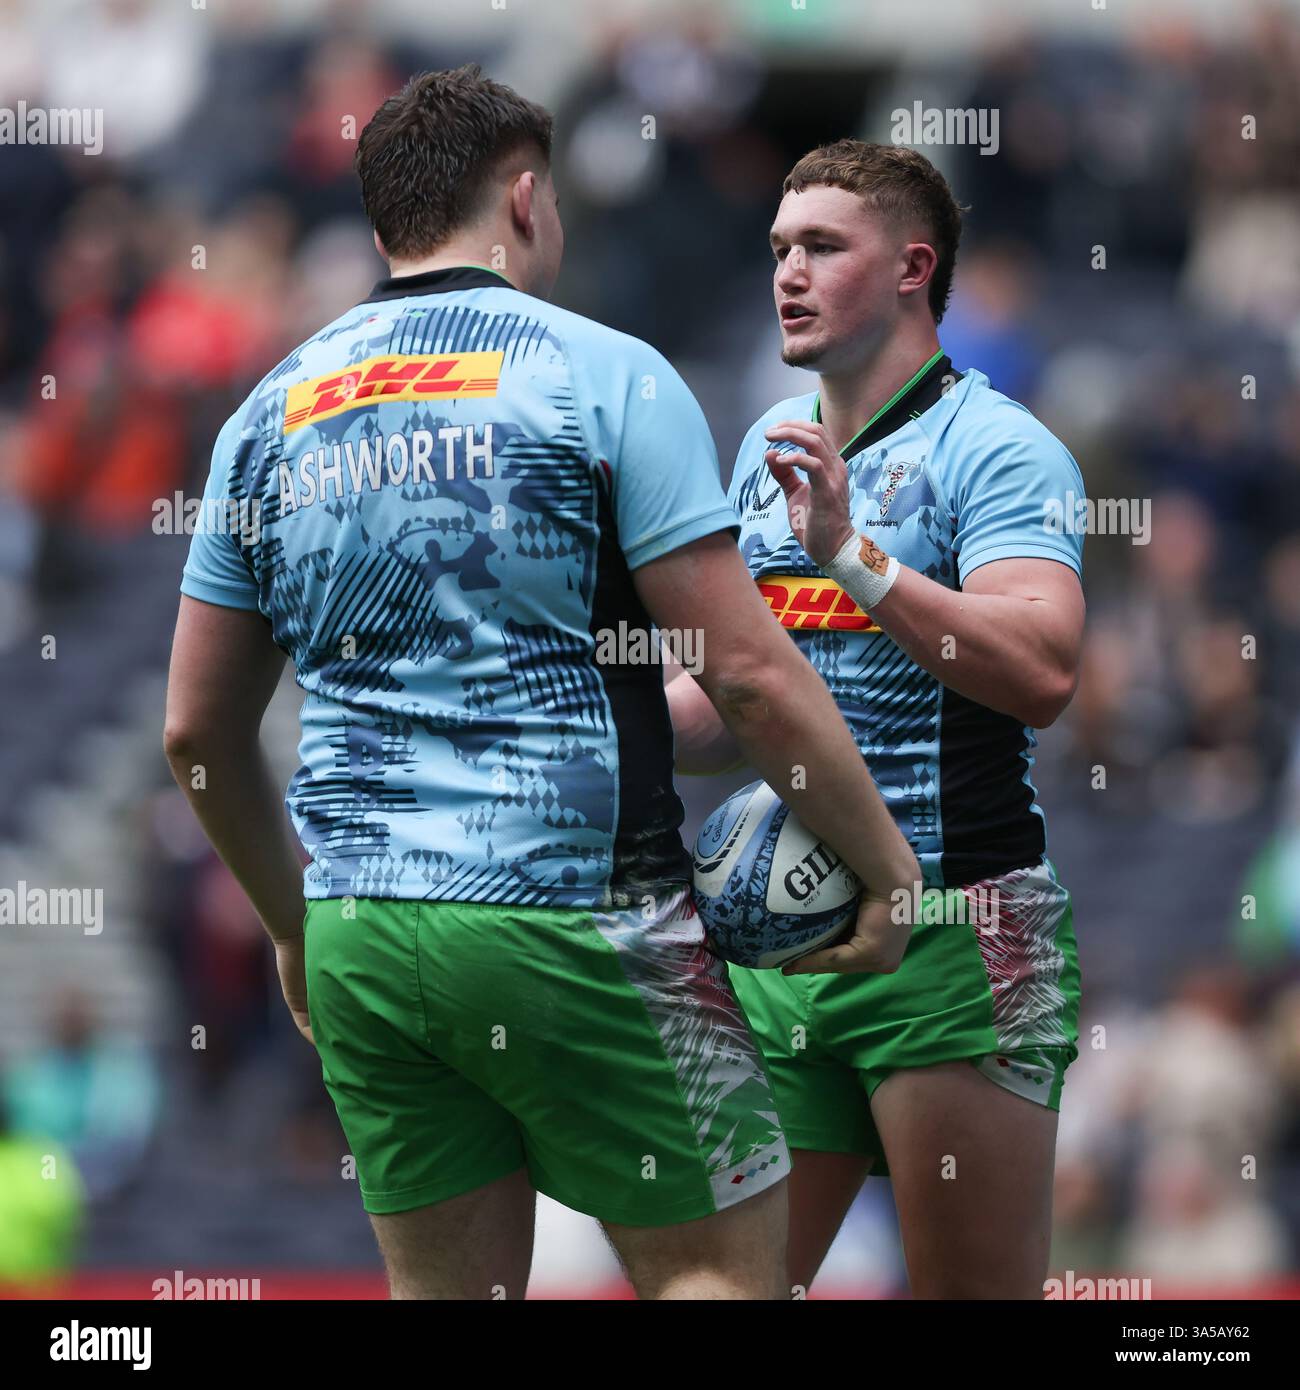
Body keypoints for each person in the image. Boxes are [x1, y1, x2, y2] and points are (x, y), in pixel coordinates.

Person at [163, 72, 918, 1300]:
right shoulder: (603, 373)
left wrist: (297, 922)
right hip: (579, 908)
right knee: (715, 1275)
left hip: (363, 925)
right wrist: (883, 865)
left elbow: (195, 728)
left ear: (381, 224)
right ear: (524, 199)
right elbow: (745, 674)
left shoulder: (266, 412)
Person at [667, 139, 1087, 1298]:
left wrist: (852, 558)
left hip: (955, 927)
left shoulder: (997, 447)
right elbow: (740, 695)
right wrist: (594, 723)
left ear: (912, 266)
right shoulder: (764, 446)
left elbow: (1043, 667)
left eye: (819, 247)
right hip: (785, 937)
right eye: (777, 250)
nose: (786, 274)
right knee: (729, 1290)